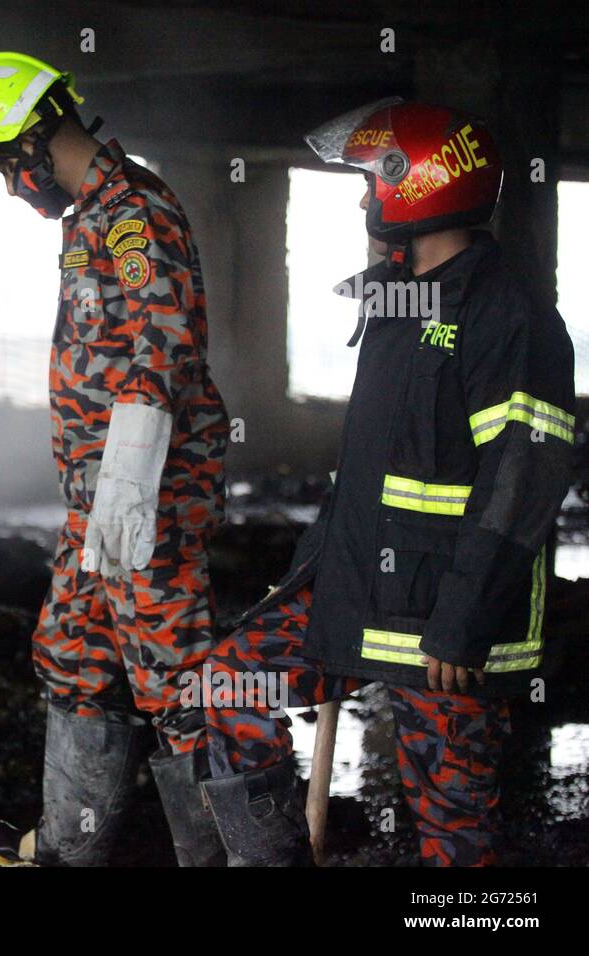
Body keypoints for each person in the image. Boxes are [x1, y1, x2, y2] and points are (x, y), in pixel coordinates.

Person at [202, 98, 576, 866]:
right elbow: (368, 470)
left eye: (371, 182)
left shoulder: (512, 315)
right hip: (358, 594)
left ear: (420, 185)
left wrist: (462, 622)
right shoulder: (395, 298)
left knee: (452, 824)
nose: (363, 199)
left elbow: (525, 476)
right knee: (231, 682)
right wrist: (312, 568)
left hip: (443, 624)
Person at [0, 51, 230, 866]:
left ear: (37, 133)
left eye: (6, 165)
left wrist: (130, 485)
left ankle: (222, 856)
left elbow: (166, 341)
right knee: (69, 655)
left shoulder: (135, 210)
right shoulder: (88, 218)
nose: (11, 187)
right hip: (94, 505)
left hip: (147, 504)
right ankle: (69, 851)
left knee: (176, 687)